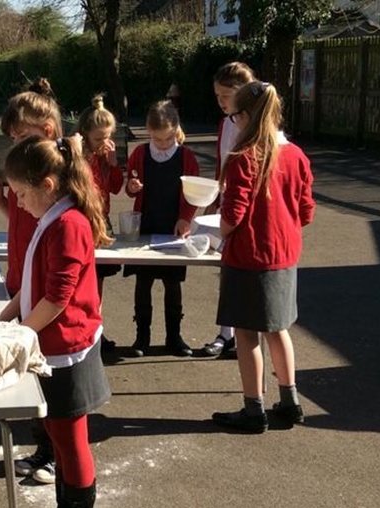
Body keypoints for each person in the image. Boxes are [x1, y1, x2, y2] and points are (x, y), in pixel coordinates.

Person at [0, 135, 111, 508]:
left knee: (69, 438)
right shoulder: (53, 217)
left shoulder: (69, 225)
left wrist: (19, 335)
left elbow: (58, 297)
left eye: (23, 194)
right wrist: (2, 323)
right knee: (59, 438)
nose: (19, 203)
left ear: (47, 184)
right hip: (52, 345)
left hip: (67, 350)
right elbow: (32, 286)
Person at [211, 81, 315, 433]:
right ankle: (291, 400)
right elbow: (306, 210)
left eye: (235, 115)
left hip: (248, 256)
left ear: (246, 116)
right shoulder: (296, 154)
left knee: (245, 335)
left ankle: (253, 408)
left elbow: (234, 214)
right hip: (283, 254)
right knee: (279, 330)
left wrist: (215, 232)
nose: (232, 121)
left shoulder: (245, 157)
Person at [0, 78, 63, 485]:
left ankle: (54, 455)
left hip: (44, 296)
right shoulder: (24, 173)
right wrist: (2, 203)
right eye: (12, 137)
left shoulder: (51, 178)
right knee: (32, 376)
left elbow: (56, 243)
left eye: (20, 135)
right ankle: (44, 448)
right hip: (21, 285)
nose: (14, 143)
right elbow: (24, 227)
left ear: (46, 131)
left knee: (48, 379)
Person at [124, 100, 200, 357]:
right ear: (149, 132)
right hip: (146, 224)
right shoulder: (141, 153)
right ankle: (141, 337)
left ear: (176, 130)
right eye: (157, 139)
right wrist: (132, 187)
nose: (162, 144)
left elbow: (193, 194)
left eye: (167, 139)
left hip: (173, 226)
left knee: (173, 282)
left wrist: (186, 218)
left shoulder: (186, 157)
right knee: (142, 281)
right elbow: (130, 185)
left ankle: (174, 335)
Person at [198, 62, 256, 360]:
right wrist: (210, 200)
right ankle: (227, 333)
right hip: (227, 203)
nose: (220, 101)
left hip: (249, 212)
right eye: (217, 95)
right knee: (226, 272)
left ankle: (242, 335)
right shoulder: (225, 124)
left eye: (225, 95)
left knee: (242, 275)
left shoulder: (255, 127)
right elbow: (223, 166)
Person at [77, 94, 124, 352]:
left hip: (101, 221)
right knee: (83, 278)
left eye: (108, 137)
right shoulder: (78, 156)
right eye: (98, 139)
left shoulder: (105, 155)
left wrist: (114, 164)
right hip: (84, 220)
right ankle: (86, 329)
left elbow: (116, 188)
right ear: (84, 134)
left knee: (99, 280)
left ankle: (97, 330)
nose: (104, 143)